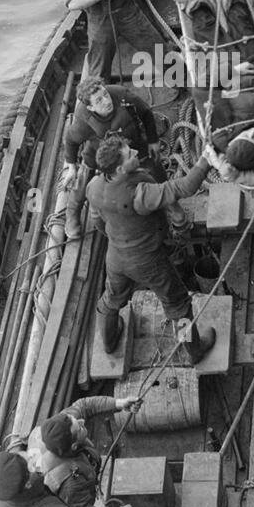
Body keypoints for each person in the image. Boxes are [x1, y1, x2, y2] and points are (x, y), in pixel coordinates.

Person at [86, 134, 217, 365]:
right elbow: (185, 187)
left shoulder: (94, 187)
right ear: (118, 169)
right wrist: (206, 159)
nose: (135, 151)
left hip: (115, 257)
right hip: (148, 262)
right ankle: (195, 350)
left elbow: (97, 221)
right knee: (178, 306)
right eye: (129, 154)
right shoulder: (139, 195)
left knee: (111, 300)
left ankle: (108, 343)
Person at [63, 78, 164, 239]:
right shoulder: (84, 122)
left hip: (132, 143)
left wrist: (153, 140)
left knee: (156, 170)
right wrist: (71, 166)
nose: (106, 100)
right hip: (99, 152)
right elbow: (70, 140)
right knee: (82, 180)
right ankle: (72, 214)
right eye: (99, 100)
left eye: (105, 94)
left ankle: (166, 206)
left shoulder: (123, 96)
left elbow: (145, 112)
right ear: (90, 107)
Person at [37, 396, 140, 507]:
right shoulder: (71, 484)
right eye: (79, 428)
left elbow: (84, 405)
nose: (82, 421)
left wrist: (119, 404)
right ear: (74, 446)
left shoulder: (62, 427)